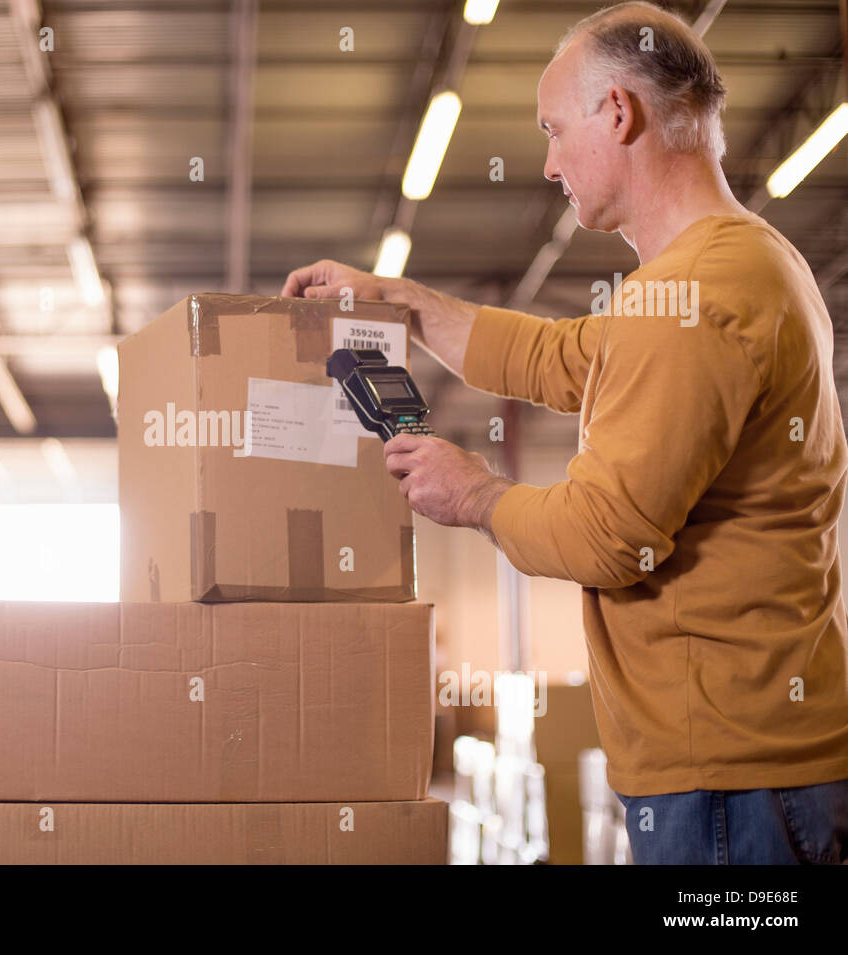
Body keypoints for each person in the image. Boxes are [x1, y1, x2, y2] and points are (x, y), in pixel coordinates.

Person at [283, 0, 848, 864]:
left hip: (732, 781)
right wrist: (405, 301)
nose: (547, 163)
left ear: (618, 113)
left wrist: (477, 494)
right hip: (753, 767)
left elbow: (607, 534)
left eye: (553, 130)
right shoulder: (738, 266)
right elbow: (560, 355)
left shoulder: (696, 297)